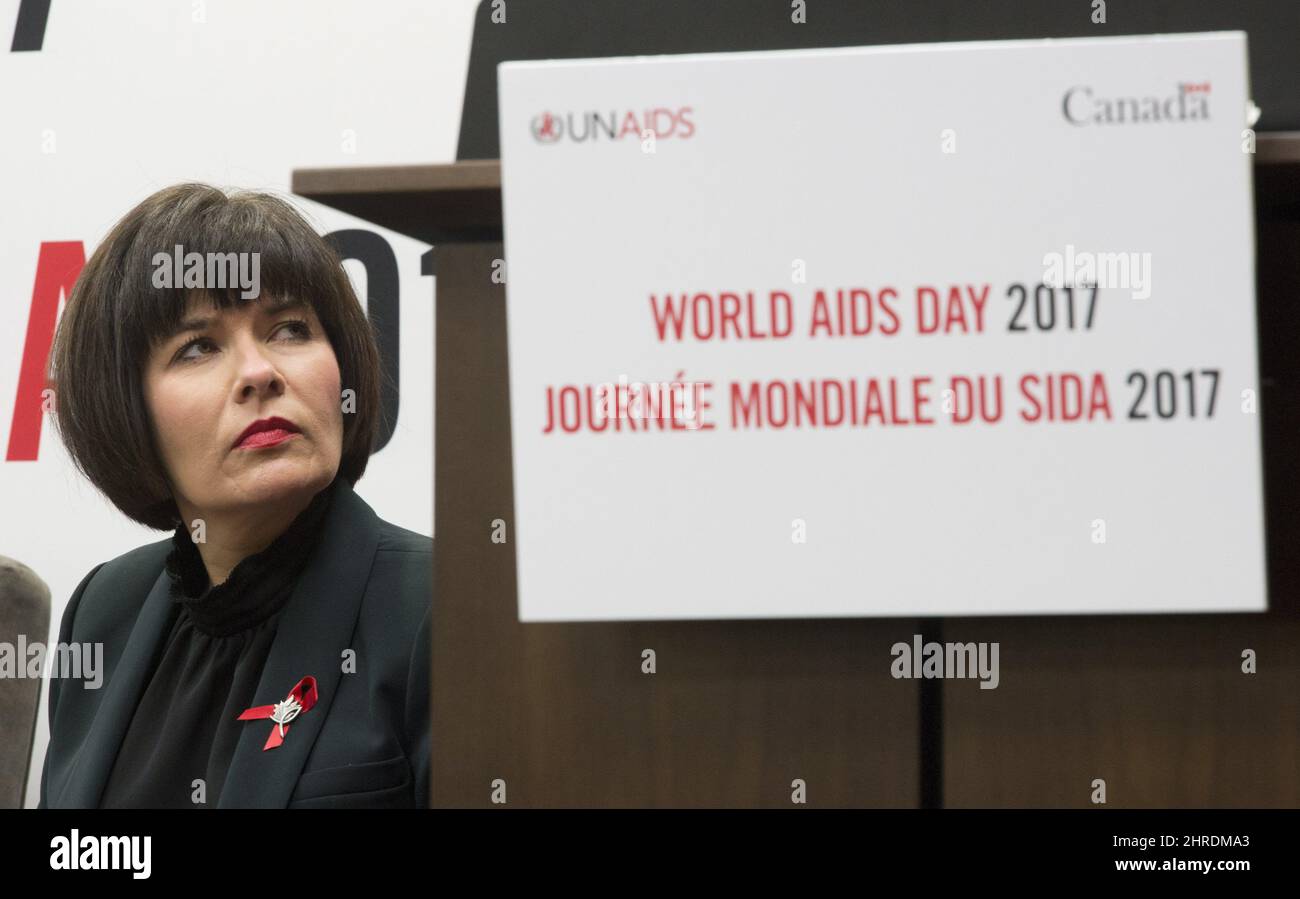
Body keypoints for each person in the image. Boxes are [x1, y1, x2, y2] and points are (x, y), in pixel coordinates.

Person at [38, 183, 431, 808]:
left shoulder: (440, 608)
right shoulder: (102, 612)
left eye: (290, 329)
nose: (259, 372)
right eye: (199, 347)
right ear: (126, 409)